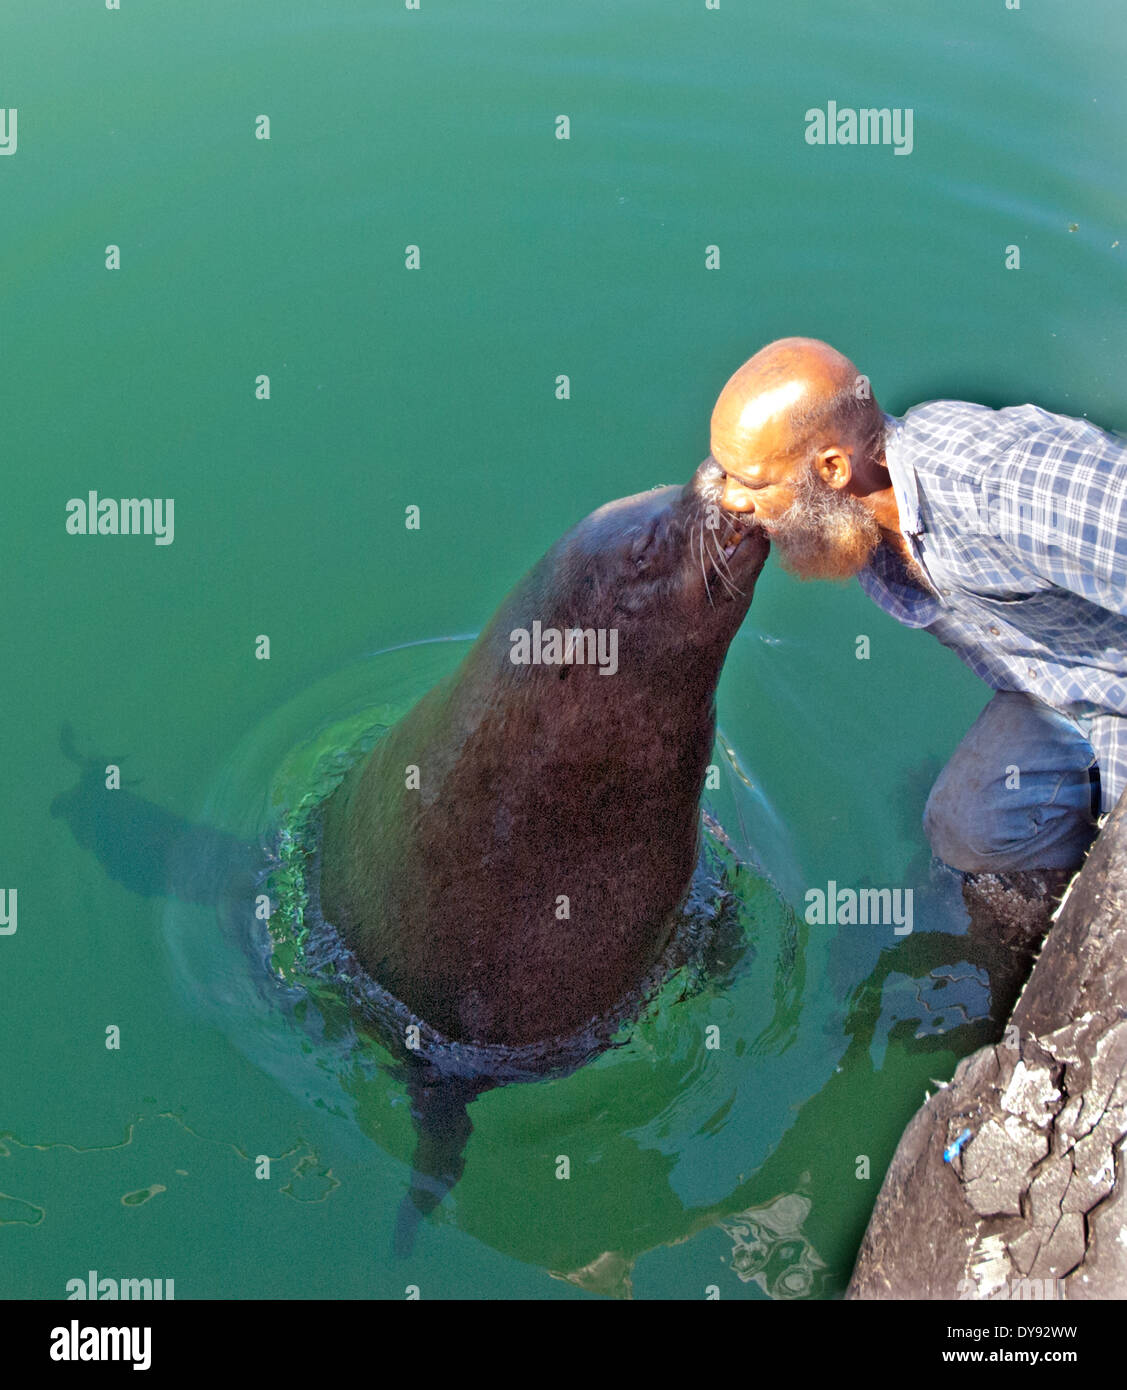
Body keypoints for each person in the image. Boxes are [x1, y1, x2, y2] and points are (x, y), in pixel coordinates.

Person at [706, 336, 1126, 932]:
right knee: (964, 826)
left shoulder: (1001, 485)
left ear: (832, 468)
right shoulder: (867, 525)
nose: (729, 498)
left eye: (751, 480)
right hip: (1057, 686)